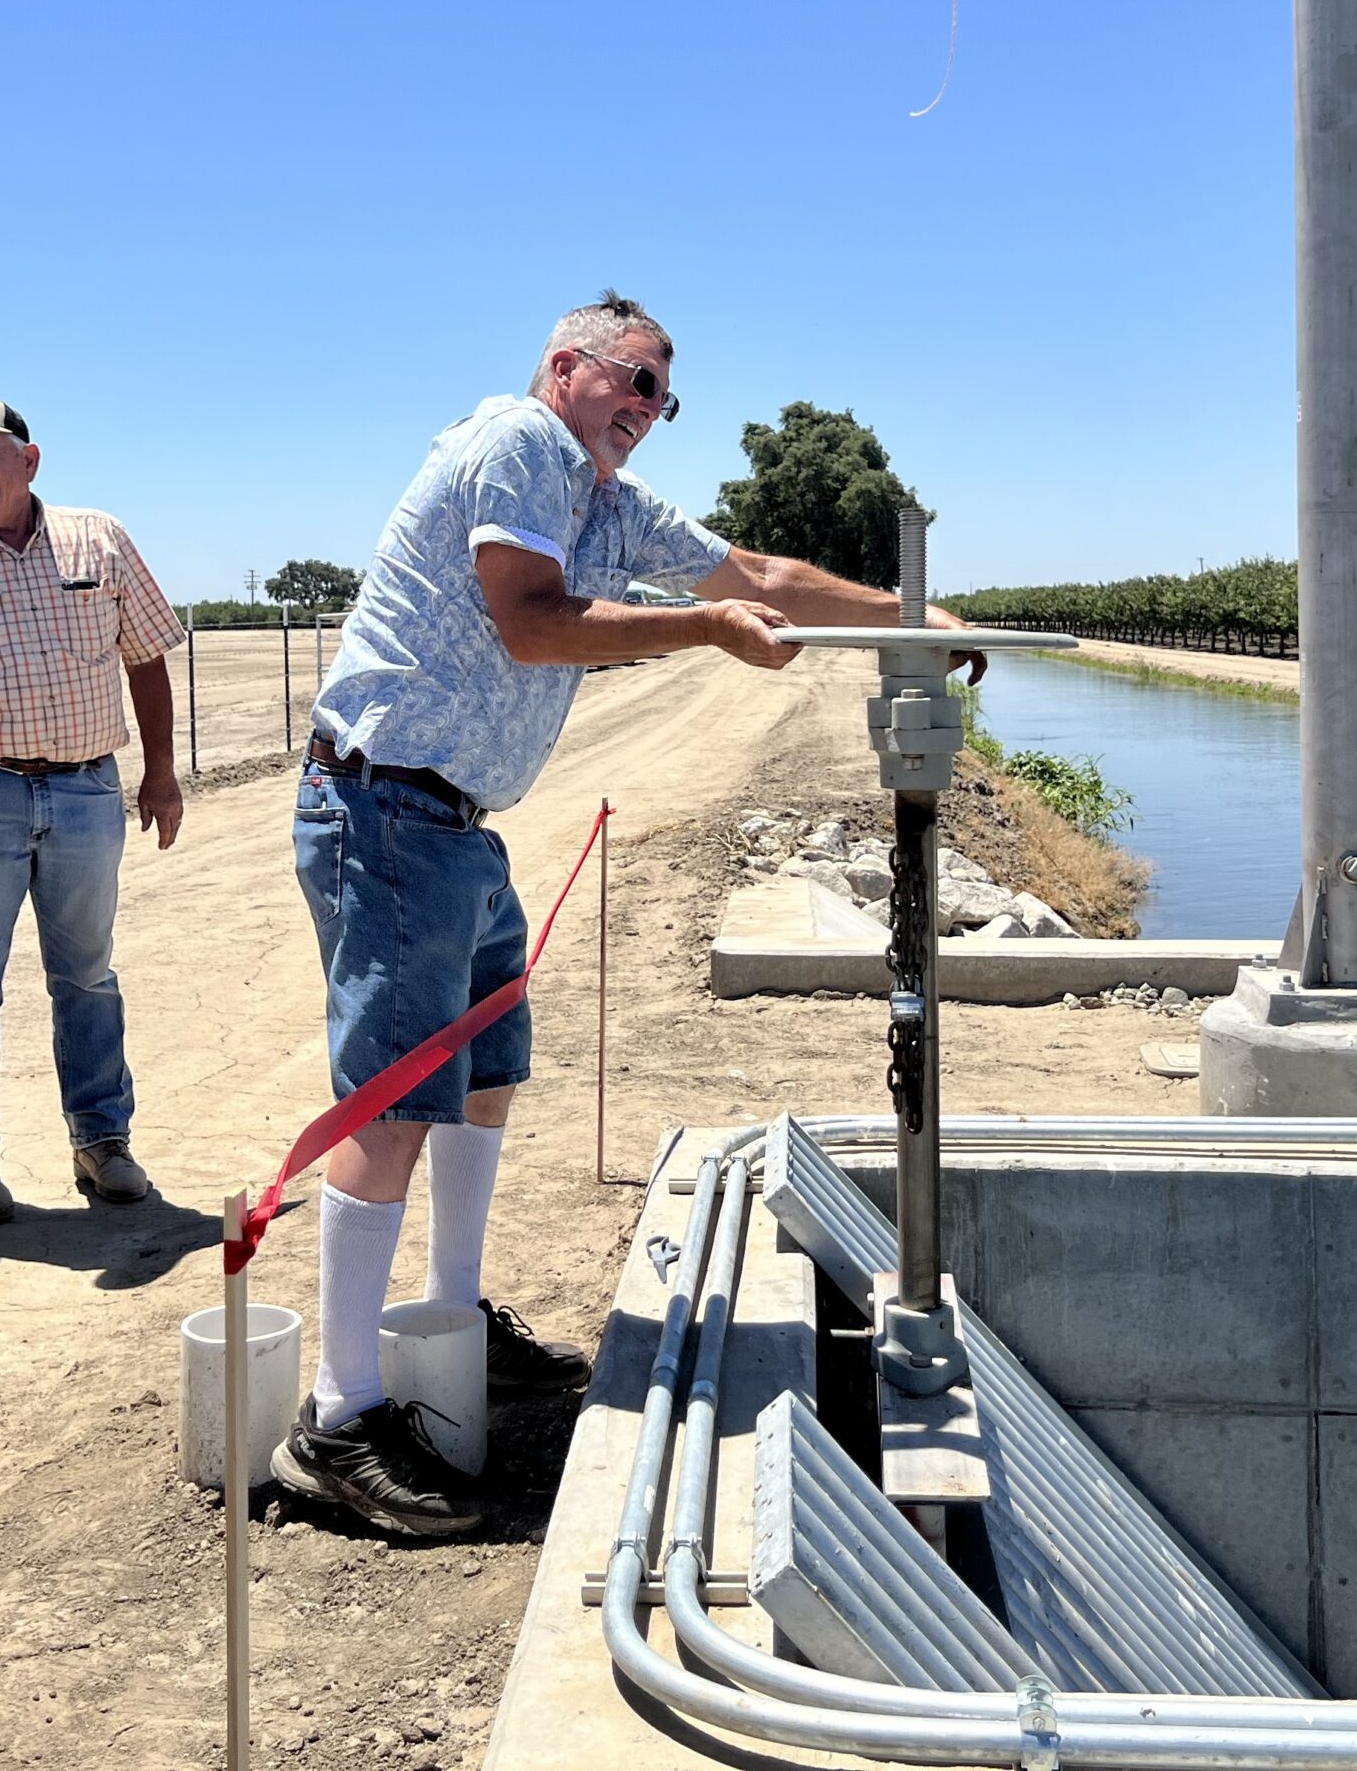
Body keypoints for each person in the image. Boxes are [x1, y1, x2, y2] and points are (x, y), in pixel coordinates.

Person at [271, 293, 978, 1536]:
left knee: (483, 1071)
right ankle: (337, 1416)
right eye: (634, 383)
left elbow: (759, 574)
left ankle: (449, 1317)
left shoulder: (602, 492)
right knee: (390, 1100)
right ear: (566, 367)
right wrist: (704, 632)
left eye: (664, 398)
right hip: (383, 806)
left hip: (453, 820)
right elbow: (532, 622)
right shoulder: (523, 443)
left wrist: (906, 619)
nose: (647, 414)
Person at [0, 399, 184, 1222]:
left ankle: (101, 1141)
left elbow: (147, 658)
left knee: (87, 974)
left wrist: (160, 774)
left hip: (88, 788)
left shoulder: (100, 539)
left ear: (30, 460)